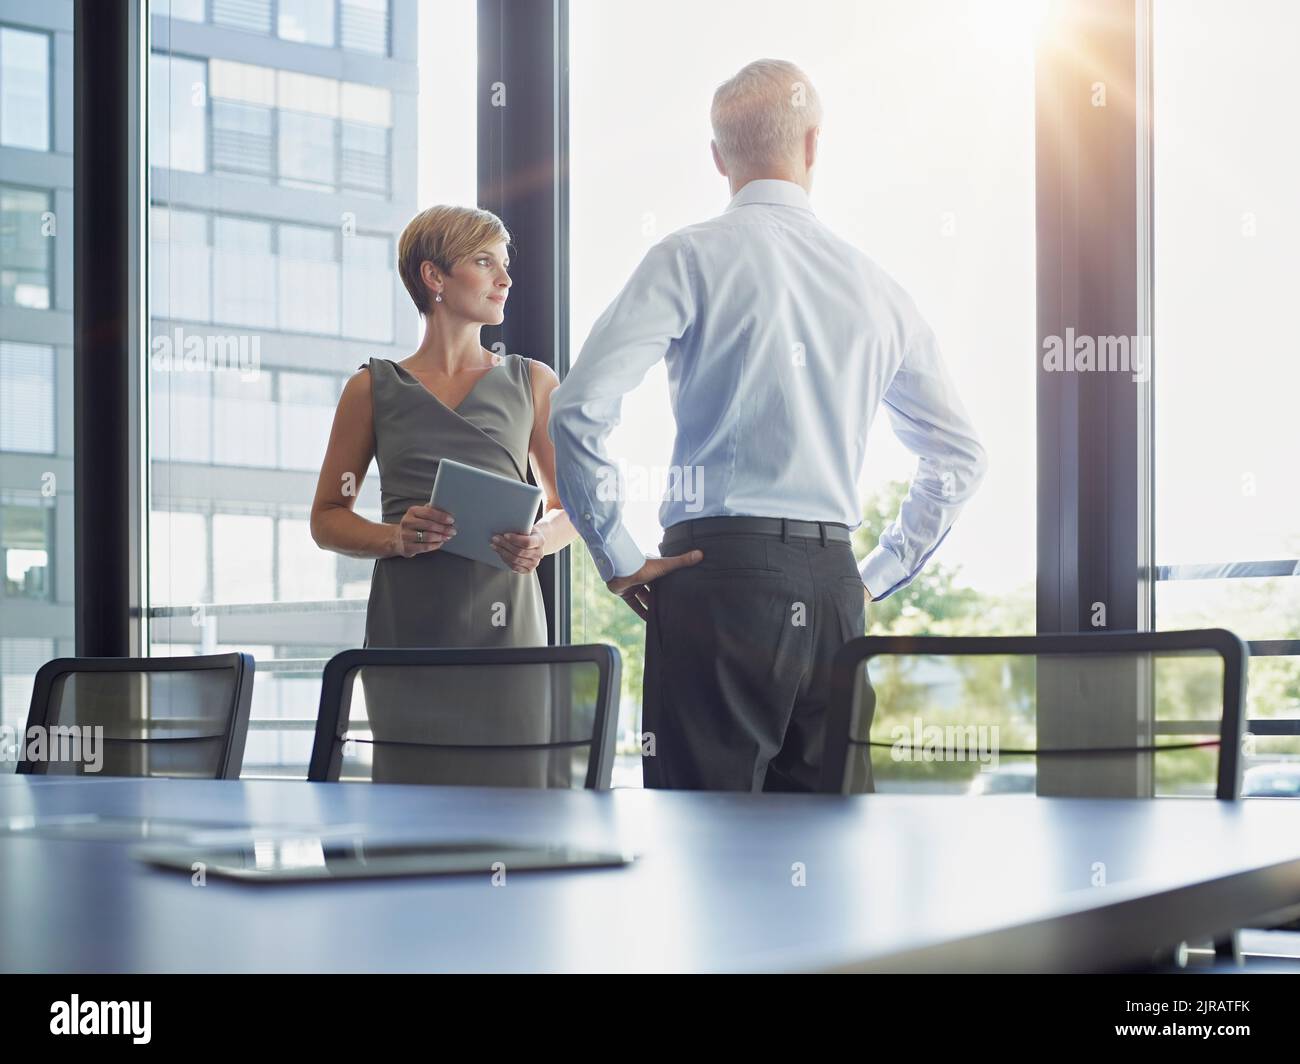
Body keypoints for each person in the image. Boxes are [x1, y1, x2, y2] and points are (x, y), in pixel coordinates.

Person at [548, 59, 988, 793]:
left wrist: (616, 551)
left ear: (718, 158)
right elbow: (960, 457)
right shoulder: (878, 287)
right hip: (835, 588)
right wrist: (872, 576)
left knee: (705, 843)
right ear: (814, 144)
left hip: (717, 579)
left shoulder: (688, 256)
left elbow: (579, 407)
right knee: (833, 849)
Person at [311, 205, 579, 783]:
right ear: (434, 277)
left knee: (515, 798)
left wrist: (540, 540)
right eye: (485, 263)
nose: (504, 279)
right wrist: (395, 538)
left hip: (508, 638)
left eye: (505, 265)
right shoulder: (371, 388)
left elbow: (569, 510)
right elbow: (327, 517)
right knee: (410, 810)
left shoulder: (533, 382)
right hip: (409, 636)